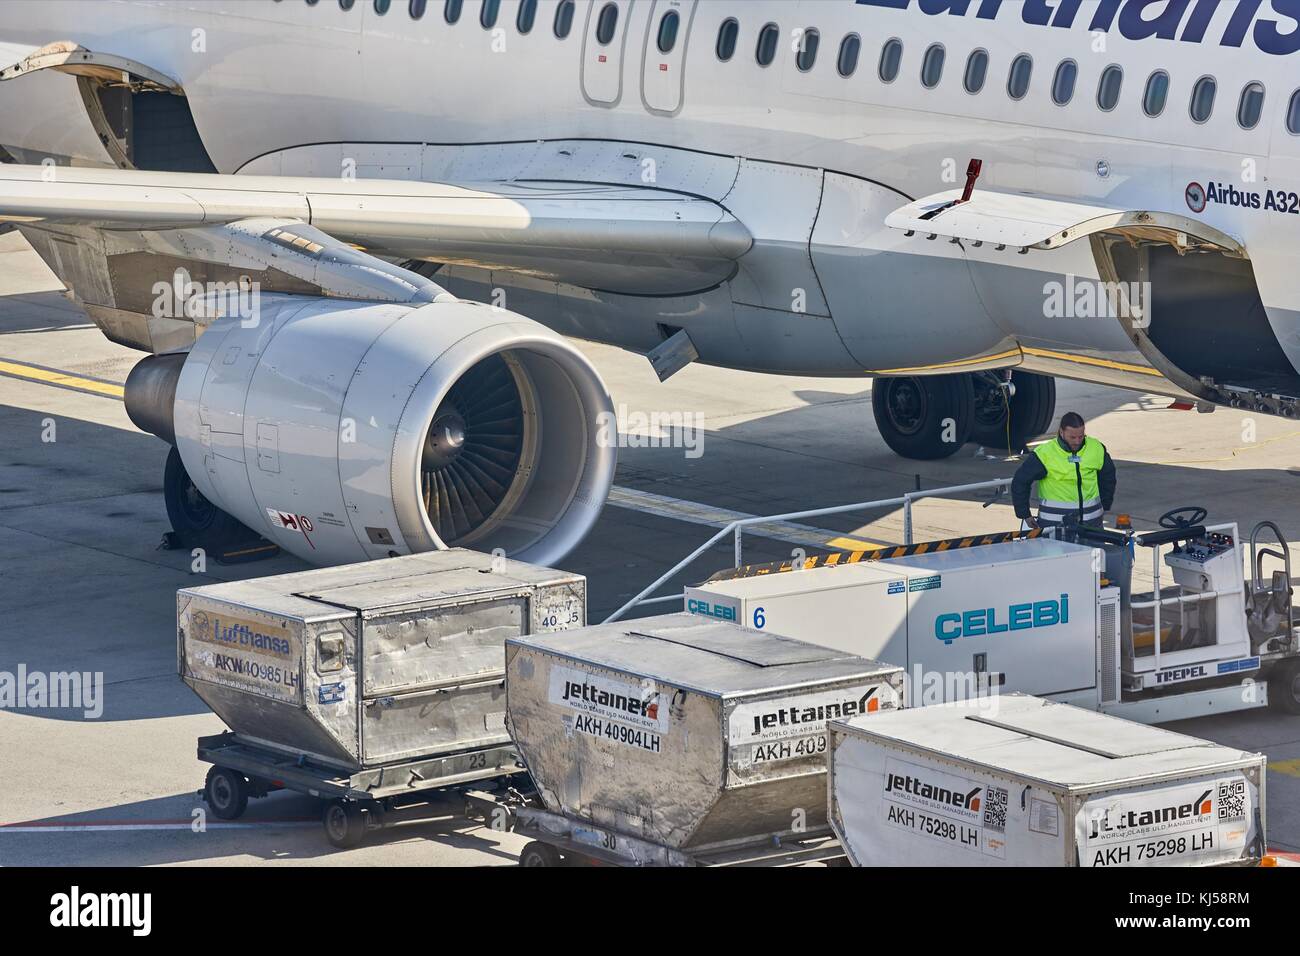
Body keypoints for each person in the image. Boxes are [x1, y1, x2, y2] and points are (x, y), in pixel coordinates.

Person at [1011, 412, 1116, 530]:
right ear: (1061, 432)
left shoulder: (1095, 448)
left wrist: (1105, 505)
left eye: (1081, 436)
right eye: (1072, 437)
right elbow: (1020, 481)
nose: (1077, 441)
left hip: (1092, 524)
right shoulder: (1044, 453)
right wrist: (1024, 514)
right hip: (1055, 527)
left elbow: (1108, 477)